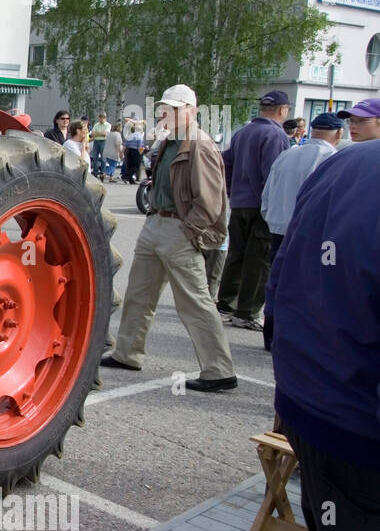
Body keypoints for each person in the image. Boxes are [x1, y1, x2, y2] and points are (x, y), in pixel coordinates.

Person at [265, 131, 380, 531]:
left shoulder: (346, 166)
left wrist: (290, 392)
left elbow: (282, 279)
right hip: (356, 433)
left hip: (313, 415)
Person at [101, 84, 235, 392]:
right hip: (157, 223)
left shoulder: (199, 144)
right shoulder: (172, 140)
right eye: (165, 108)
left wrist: (190, 230)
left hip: (177, 228)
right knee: (138, 295)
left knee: (195, 303)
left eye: (175, 109)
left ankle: (218, 370)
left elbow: (212, 200)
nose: (167, 113)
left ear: (191, 111)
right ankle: (127, 353)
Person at [259, 111, 343, 351]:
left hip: (277, 226)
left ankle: (271, 332)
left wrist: (271, 217)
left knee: (276, 280)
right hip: (308, 231)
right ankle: (298, 335)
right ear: (338, 133)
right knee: (307, 285)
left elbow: (267, 193)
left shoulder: (288, 154)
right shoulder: (330, 158)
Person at [217, 90, 290, 331]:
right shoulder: (276, 135)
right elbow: (273, 174)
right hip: (261, 206)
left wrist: (231, 191)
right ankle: (246, 312)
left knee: (236, 254)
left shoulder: (242, 132)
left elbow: (226, 164)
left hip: (239, 202)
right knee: (258, 260)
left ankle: (226, 303)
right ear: (283, 110)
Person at [89, 112, 112, 180]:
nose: (101, 119)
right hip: (96, 141)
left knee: (103, 158)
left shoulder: (108, 125)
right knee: (95, 157)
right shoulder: (96, 125)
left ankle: (102, 172)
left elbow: (105, 134)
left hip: (103, 141)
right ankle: (95, 172)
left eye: (103, 118)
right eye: (100, 118)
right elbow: (92, 134)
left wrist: (97, 133)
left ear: (105, 118)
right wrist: (100, 133)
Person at [122, 118, 145, 183]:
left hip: (129, 151)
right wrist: (141, 153)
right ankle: (125, 176)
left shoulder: (130, 136)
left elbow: (126, 145)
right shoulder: (139, 136)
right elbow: (140, 146)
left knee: (130, 166)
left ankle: (131, 180)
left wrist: (123, 152)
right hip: (135, 152)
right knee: (136, 166)